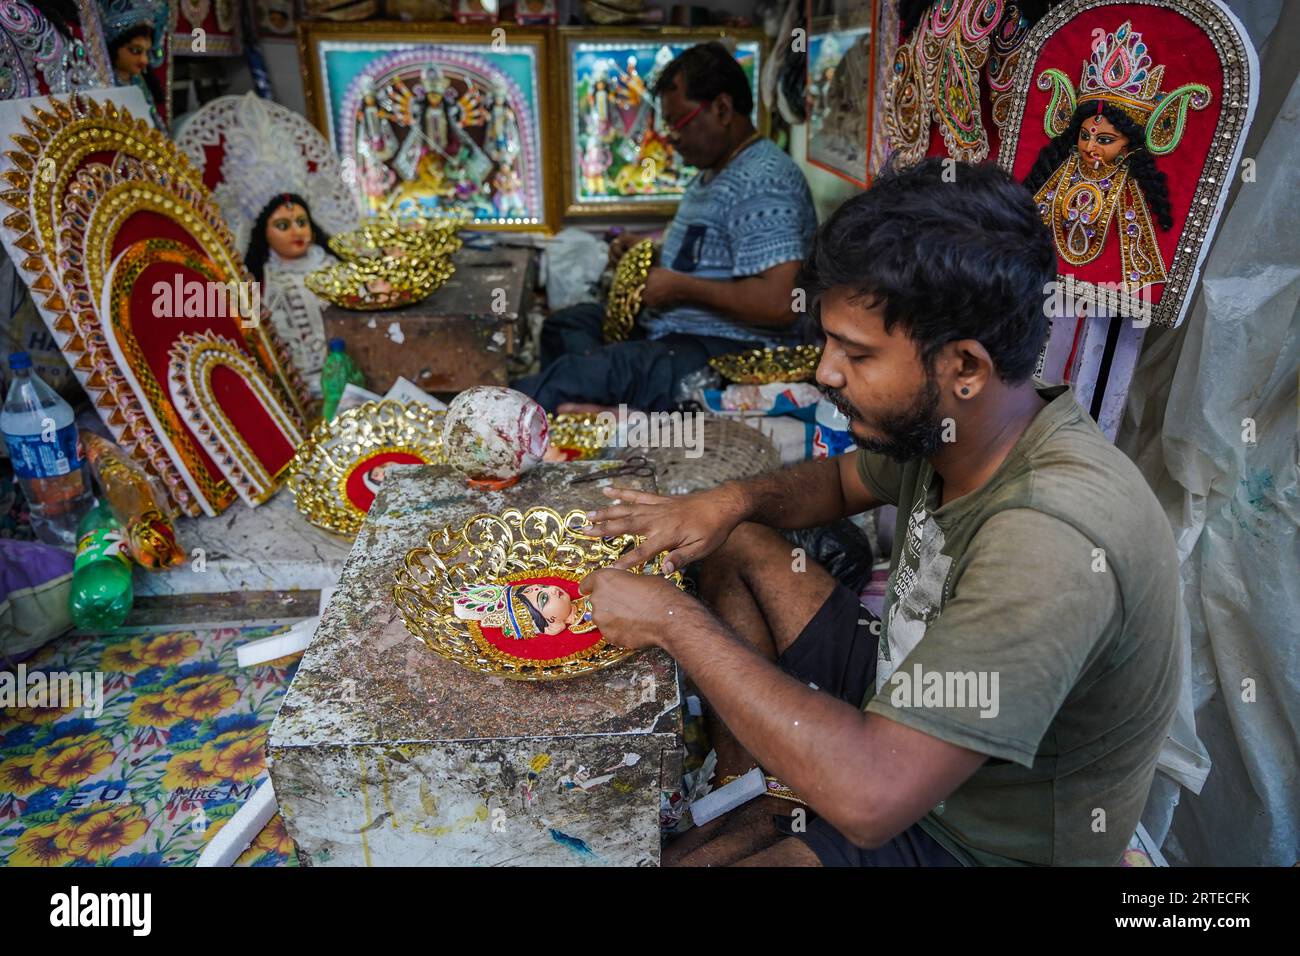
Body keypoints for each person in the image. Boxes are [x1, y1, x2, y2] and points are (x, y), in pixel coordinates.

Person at [580, 158, 1181, 866]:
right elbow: (837, 484)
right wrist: (721, 504)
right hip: (902, 687)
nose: (825, 372)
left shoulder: (1049, 541)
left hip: (961, 834)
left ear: (964, 366)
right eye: (830, 342)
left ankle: (783, 797)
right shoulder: (965, 425)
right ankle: (752, 788)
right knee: (731, 542)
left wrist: (672, 622)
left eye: (857, 354)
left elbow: (872, 800)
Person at [512, 42, 817, 413]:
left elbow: (783, 302)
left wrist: (681, 288)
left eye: (678, 123)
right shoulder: (716, 171)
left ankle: (488, 427)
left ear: (722, 108)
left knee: (573, 377)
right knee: (565, 328)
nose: (671, 138)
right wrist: (649, 252)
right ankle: (590, 411)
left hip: (726, 350)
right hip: (675, 330)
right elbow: (708, 254)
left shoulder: (764, 180)